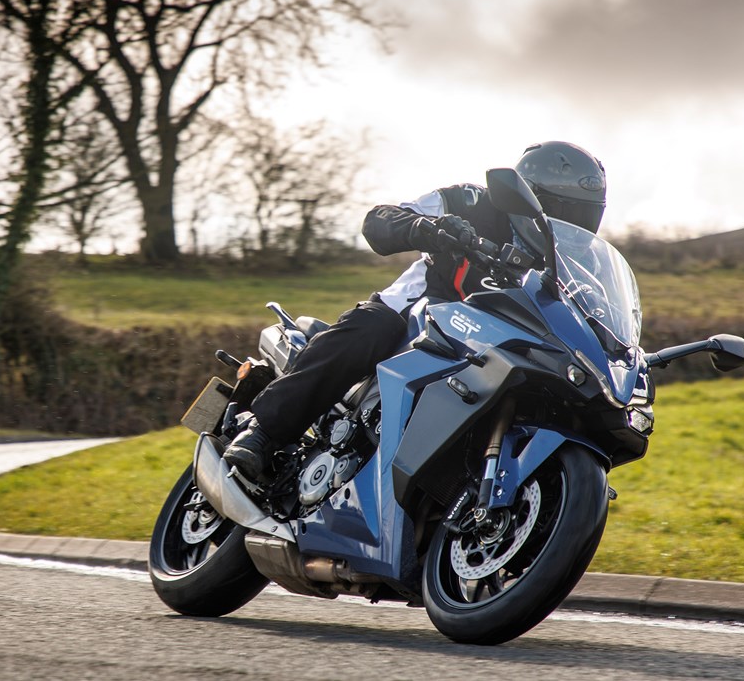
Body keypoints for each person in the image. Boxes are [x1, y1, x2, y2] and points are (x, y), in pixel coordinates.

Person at [223, 141, 608, 481]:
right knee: (369, 331)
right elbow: (381, 219)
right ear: (529, 198)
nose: (568, 226)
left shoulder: (580, 265)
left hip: (493, 349)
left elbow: (597, 315)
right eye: (561, 211)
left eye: (580, 215)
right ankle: (263, 432)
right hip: (416, 320)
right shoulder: (470, 202)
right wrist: (428, 228)